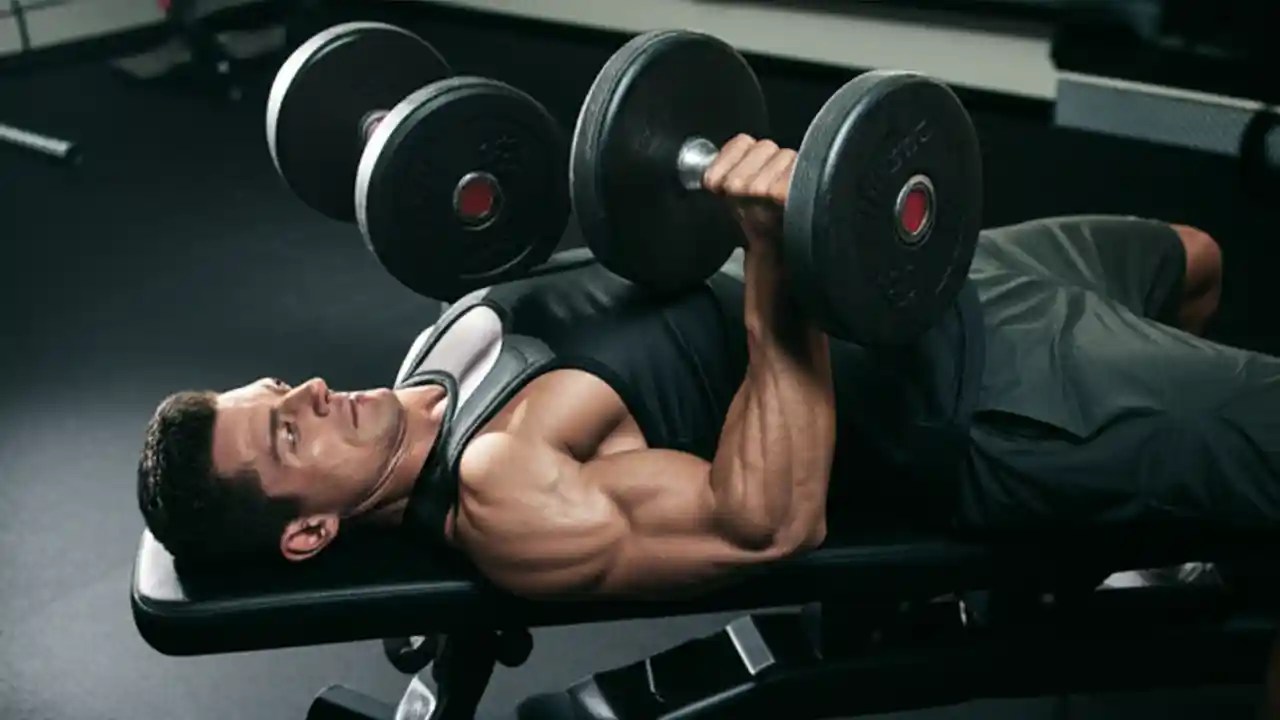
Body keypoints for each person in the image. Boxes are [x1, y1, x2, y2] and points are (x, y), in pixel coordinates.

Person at [135, 135, 1280, 600]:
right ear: (307, 534)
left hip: (924, 280)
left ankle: (1136, 522)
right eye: (283, 435)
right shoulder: (502, 491)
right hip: (988, 398)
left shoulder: (435, 361)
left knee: (1189, 262)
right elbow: (767, 524)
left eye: (274, 391)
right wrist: (774, 251)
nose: (302, 399)